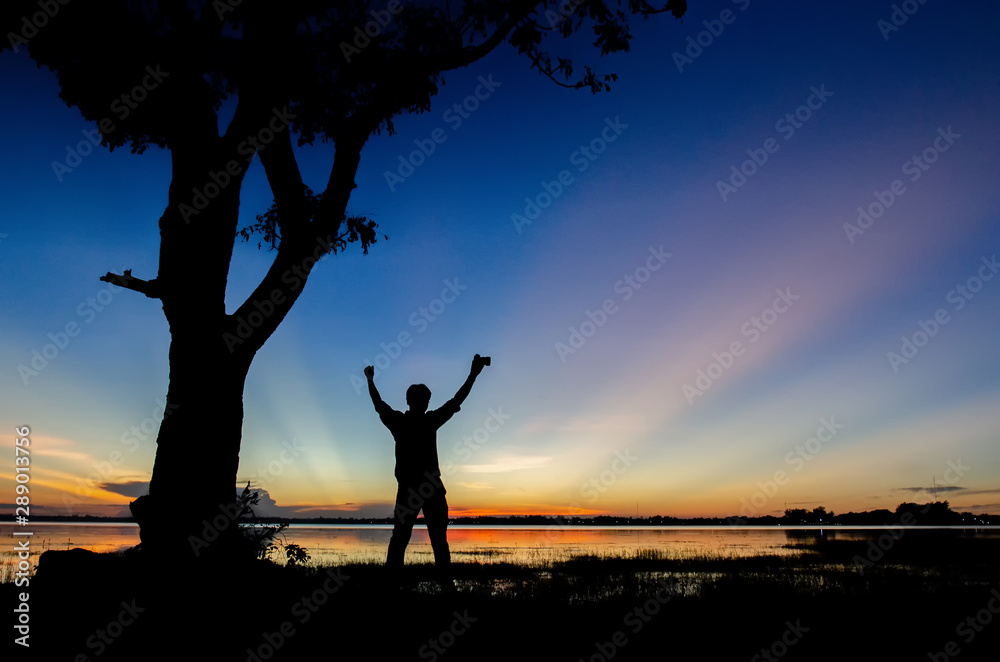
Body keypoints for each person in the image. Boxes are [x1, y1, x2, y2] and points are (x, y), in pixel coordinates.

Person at [364, 354, 490, 589]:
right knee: (436, 541)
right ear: (424, 402)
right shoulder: (428, 420)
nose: (427, 403)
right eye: (427, 399)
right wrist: (473, 374)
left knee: (401, 539)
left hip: (413, 489)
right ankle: (444, 587)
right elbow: (456, 400)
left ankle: (395, 586)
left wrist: (370, 380)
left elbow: (378, 404)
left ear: (409, 400)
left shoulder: (400, 421)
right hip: (428, 487)